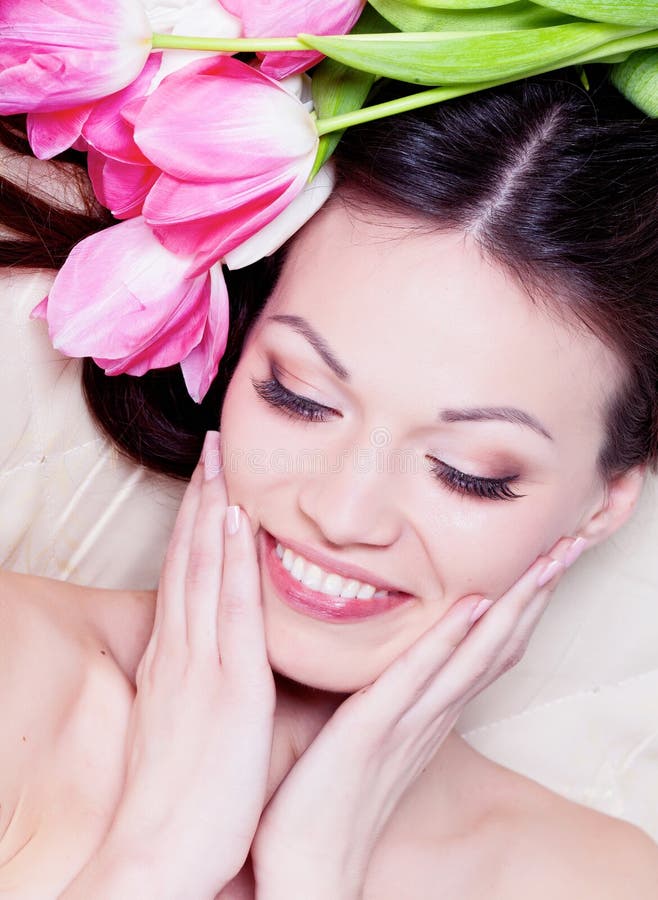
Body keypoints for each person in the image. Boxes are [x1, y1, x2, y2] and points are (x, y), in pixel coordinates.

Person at [1, 66, 658, 899]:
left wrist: (314, 873)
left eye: (469, 474)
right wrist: (164, 855)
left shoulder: (599, 880)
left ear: (605, 502)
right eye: (299, 397)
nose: (342, 513)